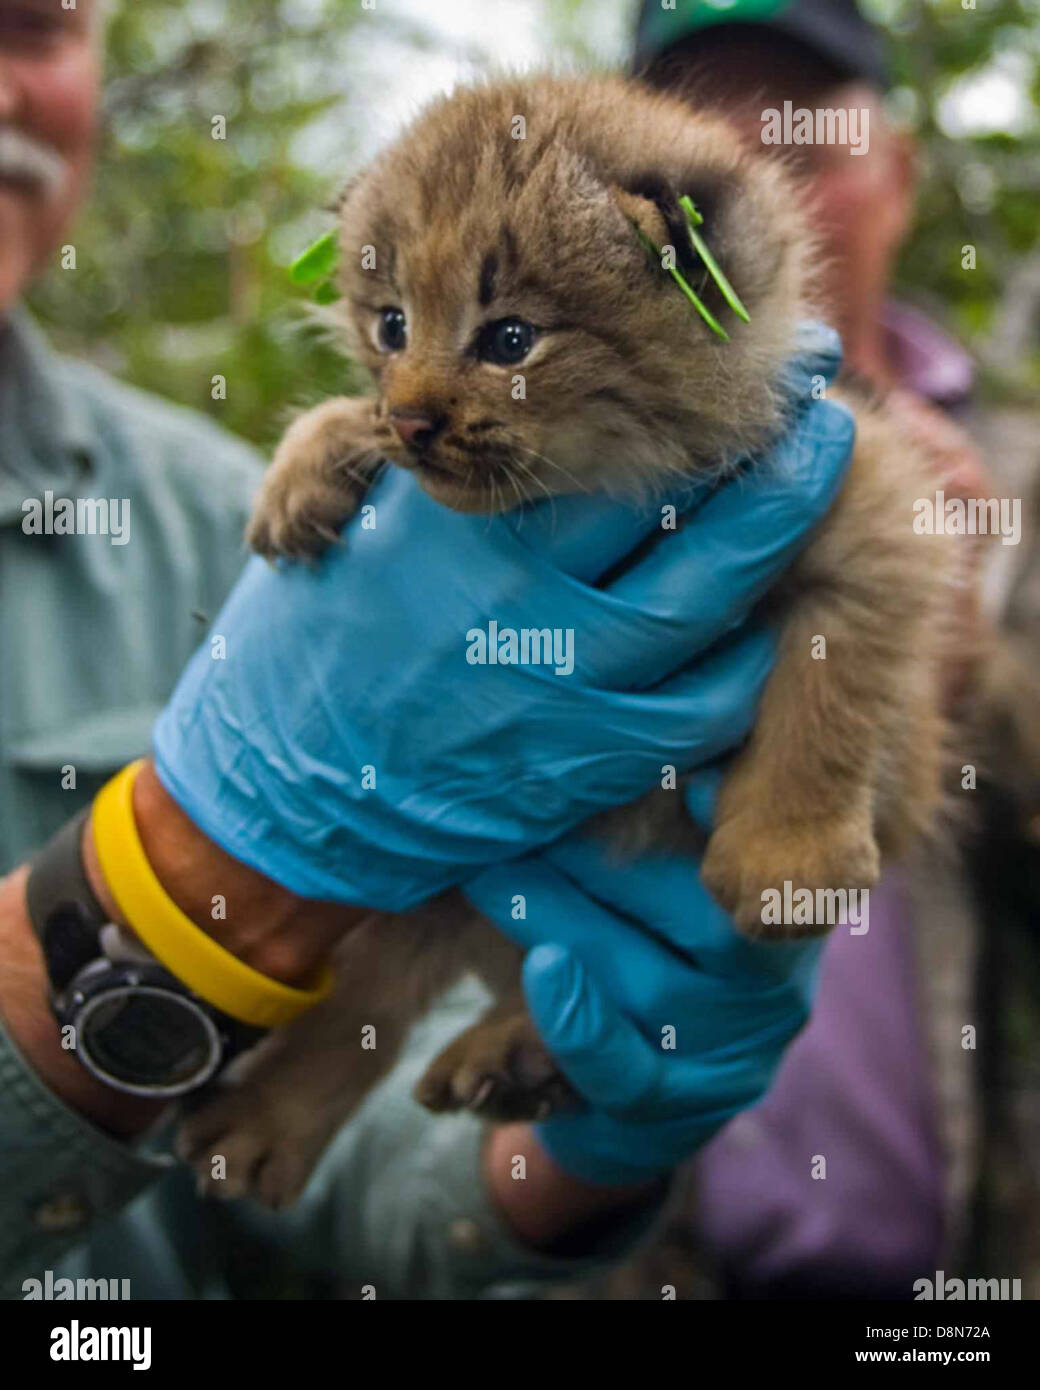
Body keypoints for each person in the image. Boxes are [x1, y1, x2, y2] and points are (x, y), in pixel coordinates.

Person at [0, 0, 858, 1300]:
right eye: (387, 331)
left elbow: (347, 1185)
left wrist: (571, 1159)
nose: (406, 407)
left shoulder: (187, 501)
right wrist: (176, 880)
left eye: (34, 26)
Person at [573, 0, 1040, 1300]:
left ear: (897, 172)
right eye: (696, 160)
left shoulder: (1019, 483)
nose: (752, 195)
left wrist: (965, 681)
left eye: (804, 142)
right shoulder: (572, 481)